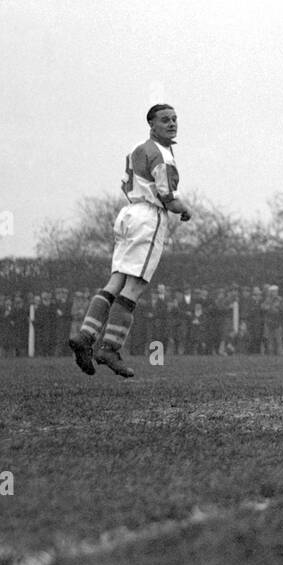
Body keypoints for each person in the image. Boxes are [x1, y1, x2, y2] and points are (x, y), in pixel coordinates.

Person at [69, 104, 193, 378]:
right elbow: (168, 198)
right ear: (152, 124)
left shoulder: (137, 148)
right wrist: (185, 209)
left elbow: (129, 183)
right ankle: (109, 348)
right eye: (165, 120)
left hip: (127, 215)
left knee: (115, 282)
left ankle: (86, 336)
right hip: (148, 218)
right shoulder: (161, 156)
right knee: (133, 288)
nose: (172, 124)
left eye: (174, 119)